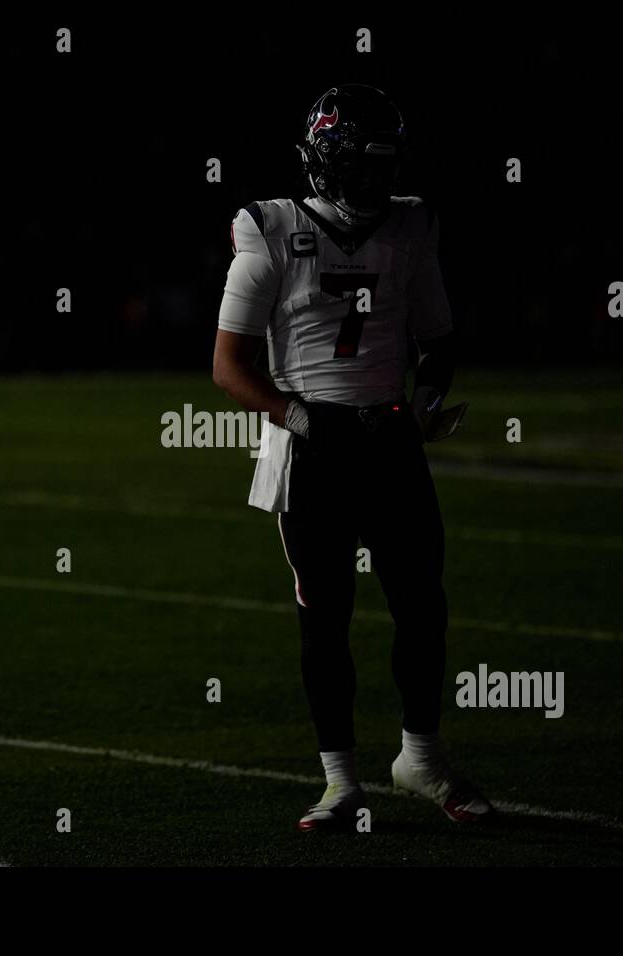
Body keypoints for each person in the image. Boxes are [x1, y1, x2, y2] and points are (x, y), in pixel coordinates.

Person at [211, 84, 492, 831]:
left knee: (422, 607)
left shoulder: (410, 224)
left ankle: (421, 760)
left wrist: (429, 402)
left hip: (391, 438)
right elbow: (229, 367)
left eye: (383, 164)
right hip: (312, 448)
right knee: (325, 618)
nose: (374, 180)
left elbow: (436, 343)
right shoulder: (269, 227)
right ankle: (340, 783)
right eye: (361, 164)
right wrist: (300, 417)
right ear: (325, 162)